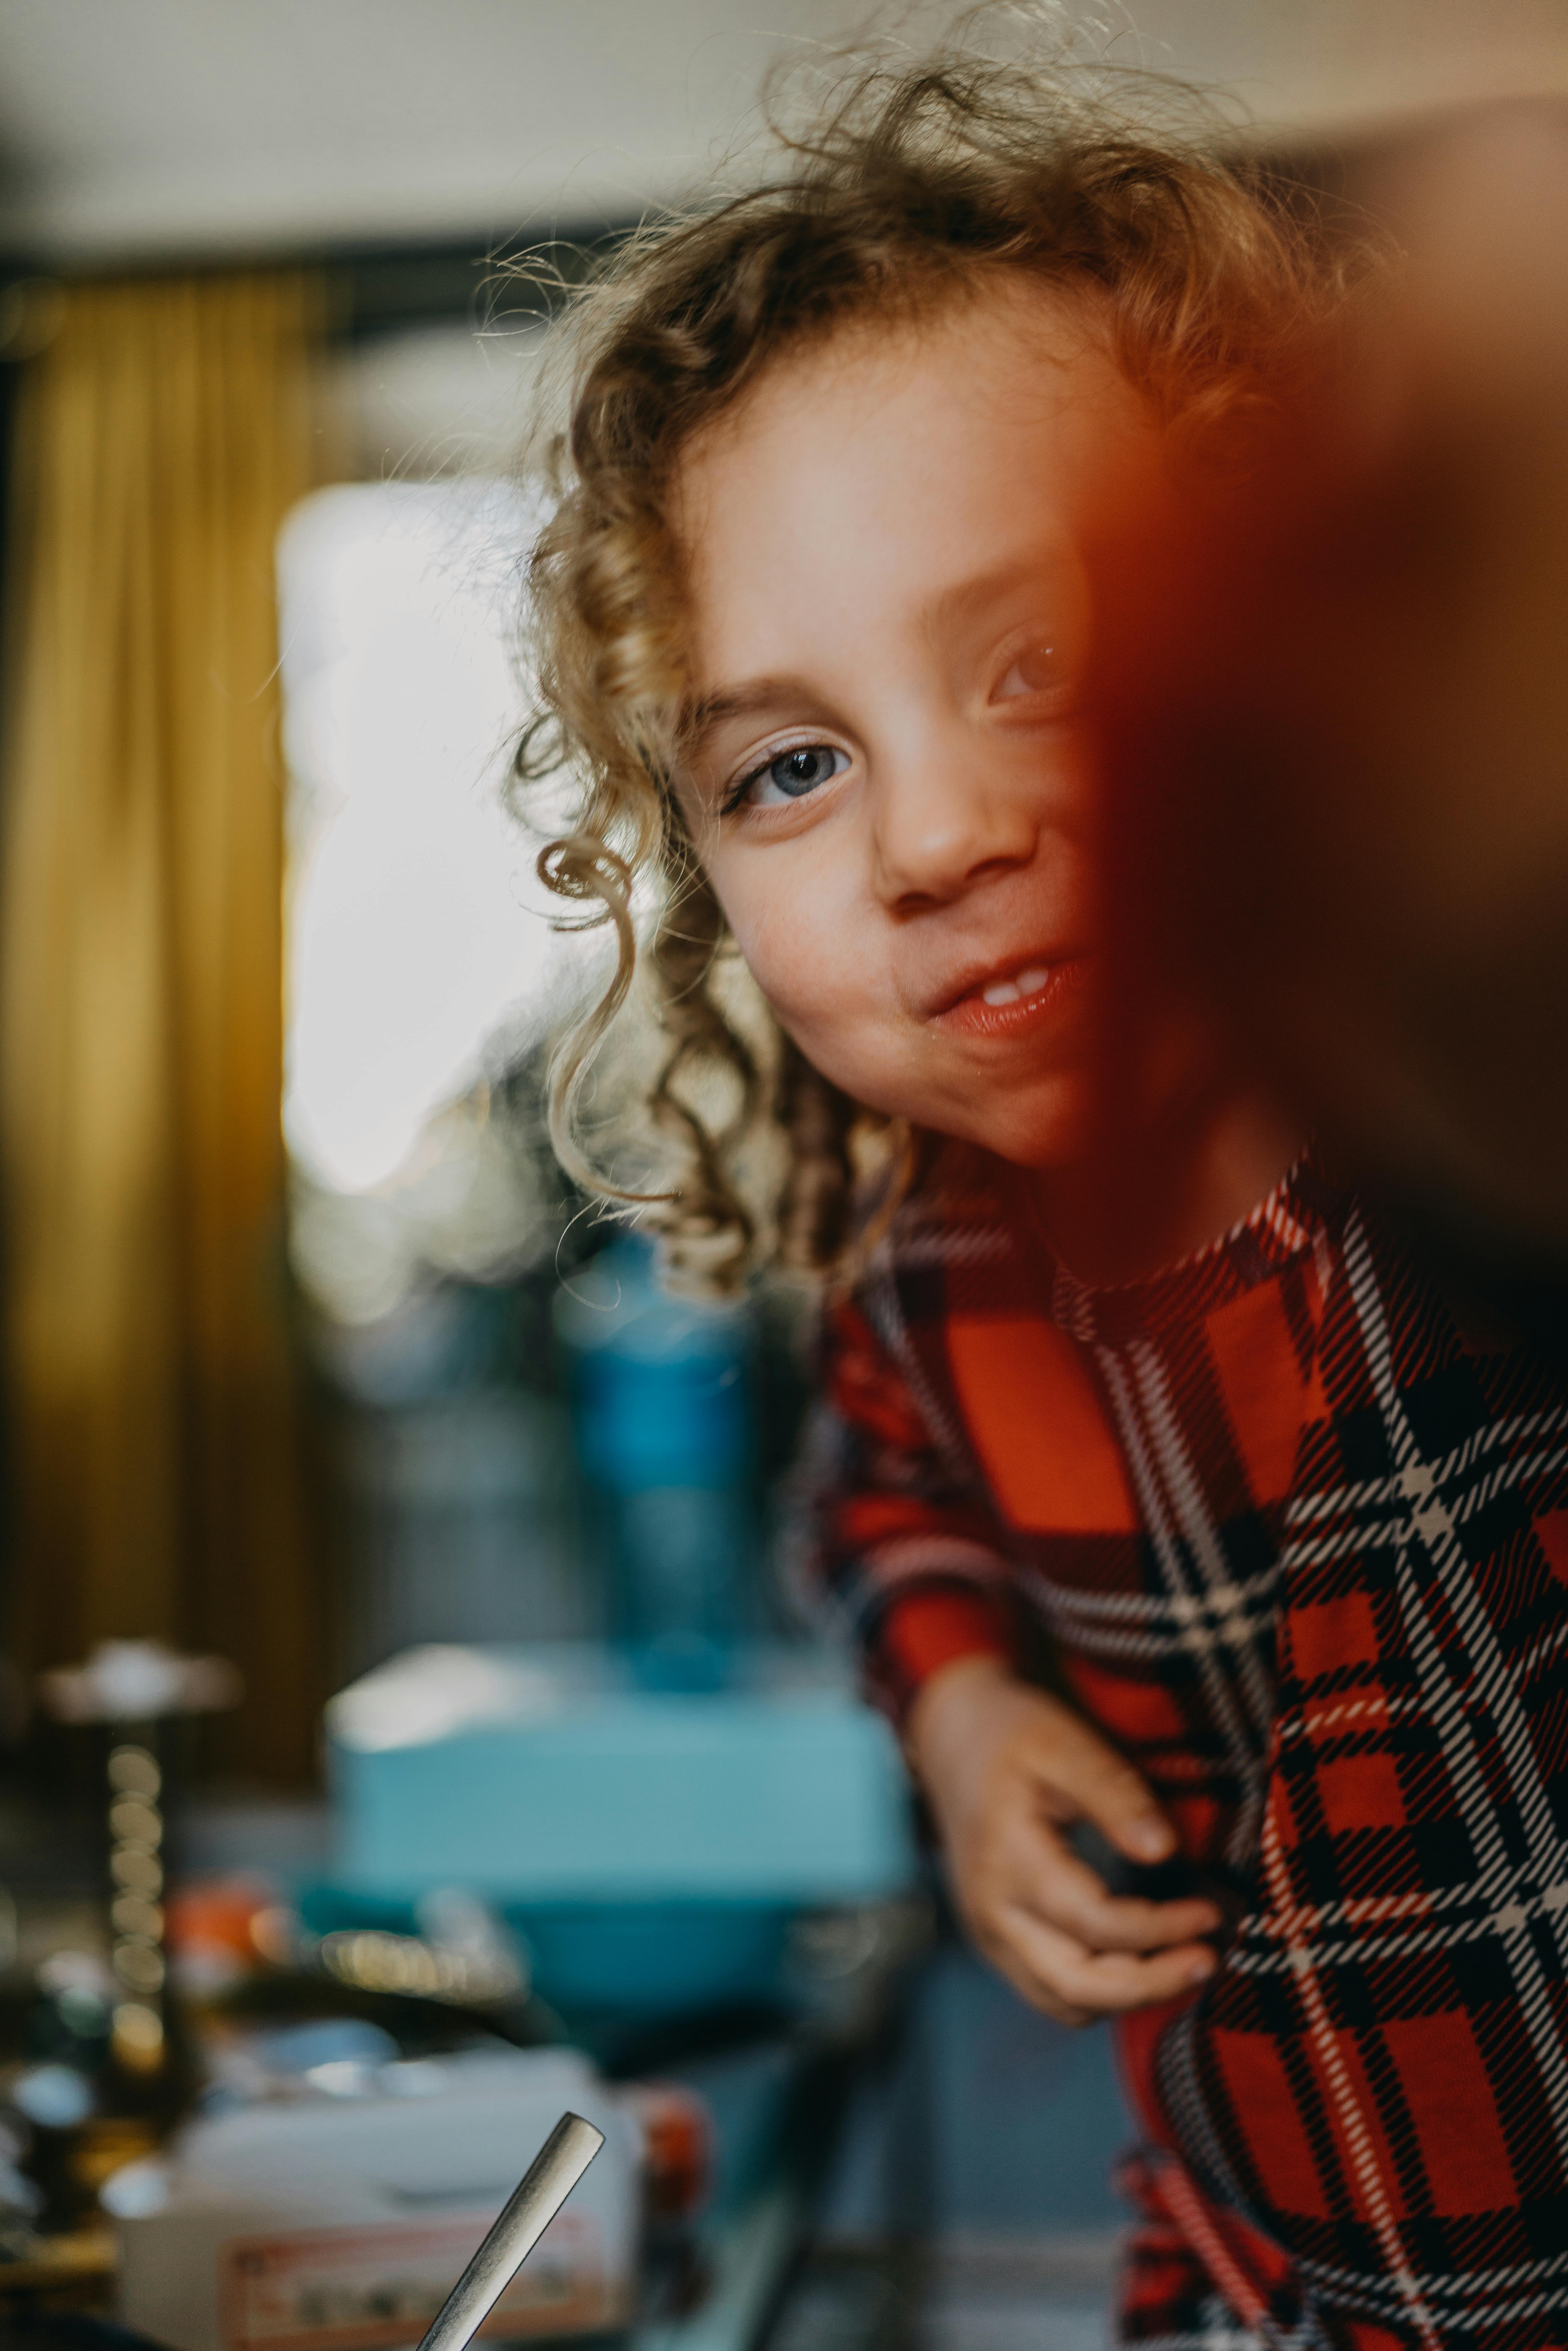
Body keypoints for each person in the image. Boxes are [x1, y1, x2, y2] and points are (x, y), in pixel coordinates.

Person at [516, 29, 1568, 2348]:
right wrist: (964, 1704)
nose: (932, 834)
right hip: (1255, 2287)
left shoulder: (1475, 1155)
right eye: (792, 766)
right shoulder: (926, 1264)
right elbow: (868, 1506)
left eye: (1038, 664)